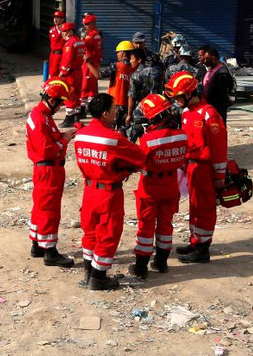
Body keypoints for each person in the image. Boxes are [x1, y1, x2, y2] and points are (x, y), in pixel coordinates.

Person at [73, 93, 146, 291]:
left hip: (89, 190)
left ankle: (89, 272)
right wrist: (125, 169)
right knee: (108, 233)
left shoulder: (81, 134)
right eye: (114, 108)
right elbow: (139, 156)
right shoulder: (113, 139)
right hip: (108, 193)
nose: (117, 111)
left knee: (90, 232)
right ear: (105, 114)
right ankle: (99, 277)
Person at [165, 73, 227, 264]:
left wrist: (219, 175)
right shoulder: (186, 113)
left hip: (205, 169)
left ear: (190, 93)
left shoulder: (209, 114)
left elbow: (218, 147)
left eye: (178, 97)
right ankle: (195, 241)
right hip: (192, 168)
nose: (176, 101)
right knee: (195, 205)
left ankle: (203, 248)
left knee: (205, 207)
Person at [128, 94, 187, 281]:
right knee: (165, 224)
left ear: (153, 117)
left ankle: (141, 266)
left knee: (146, 227)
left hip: (150, 187)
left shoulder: (148, 140)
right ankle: (161, 262)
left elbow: (137, 162)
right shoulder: (182, 135)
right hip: (171, 184)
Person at [27, 78, 77, 268]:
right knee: (50, 210)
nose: (61, 107)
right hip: (49, 169)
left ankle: (37, 243)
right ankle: (50, 251)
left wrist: (62, 135)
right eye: (61, 102)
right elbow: (47, 149)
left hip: (44, 169)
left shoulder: (41, 115)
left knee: (40, 207)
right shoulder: (41, 118)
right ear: (53, 99)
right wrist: (64, 141)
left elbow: (48, 139)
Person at [58, 22, 86, 127]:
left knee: (69, 95)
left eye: (64, 32)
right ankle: (76, 117)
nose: (62, 34)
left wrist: (62, 72)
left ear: (70, 32)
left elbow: (67, 60)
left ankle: (69, 118)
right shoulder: (80, 42)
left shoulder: (70, 44)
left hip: (70, 74)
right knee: (77, 95)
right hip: (78, 71)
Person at [198, 45, 235, 123]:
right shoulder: (210, 69)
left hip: (216, 109)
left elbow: (221, 95)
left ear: (213, 58)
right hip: (209, 107)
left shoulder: (222, 73)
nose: (204, 61)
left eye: (206, 59)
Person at [109, 40, 137, 130]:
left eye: (118, 52)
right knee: (122, 128)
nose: (117, 54)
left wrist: (89, 63)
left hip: (115, 103)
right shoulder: (134, 68)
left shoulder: (117, 66)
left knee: (111, 128)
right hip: (127, 104)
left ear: (123, 53)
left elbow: (100, 75)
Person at [80, 13, 103, 108]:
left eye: (87, 24)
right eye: (85, 24)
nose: (85, 26)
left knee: (85, 84)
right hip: (93, 62)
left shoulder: (92, 35)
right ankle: (91, 104)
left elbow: (82, 43)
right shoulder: (95, 33)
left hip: (90, 62)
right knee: (92, 85)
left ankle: (83, 105)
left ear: (93, 24)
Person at [47, 10, 67, 79]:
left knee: (63, 73)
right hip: (53, 55)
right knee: (52, 73)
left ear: (62, 19)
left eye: (58, 18)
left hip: (63, 55)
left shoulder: (66, 30)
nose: (55, 19)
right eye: (54, 18)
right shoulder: (51, 30)